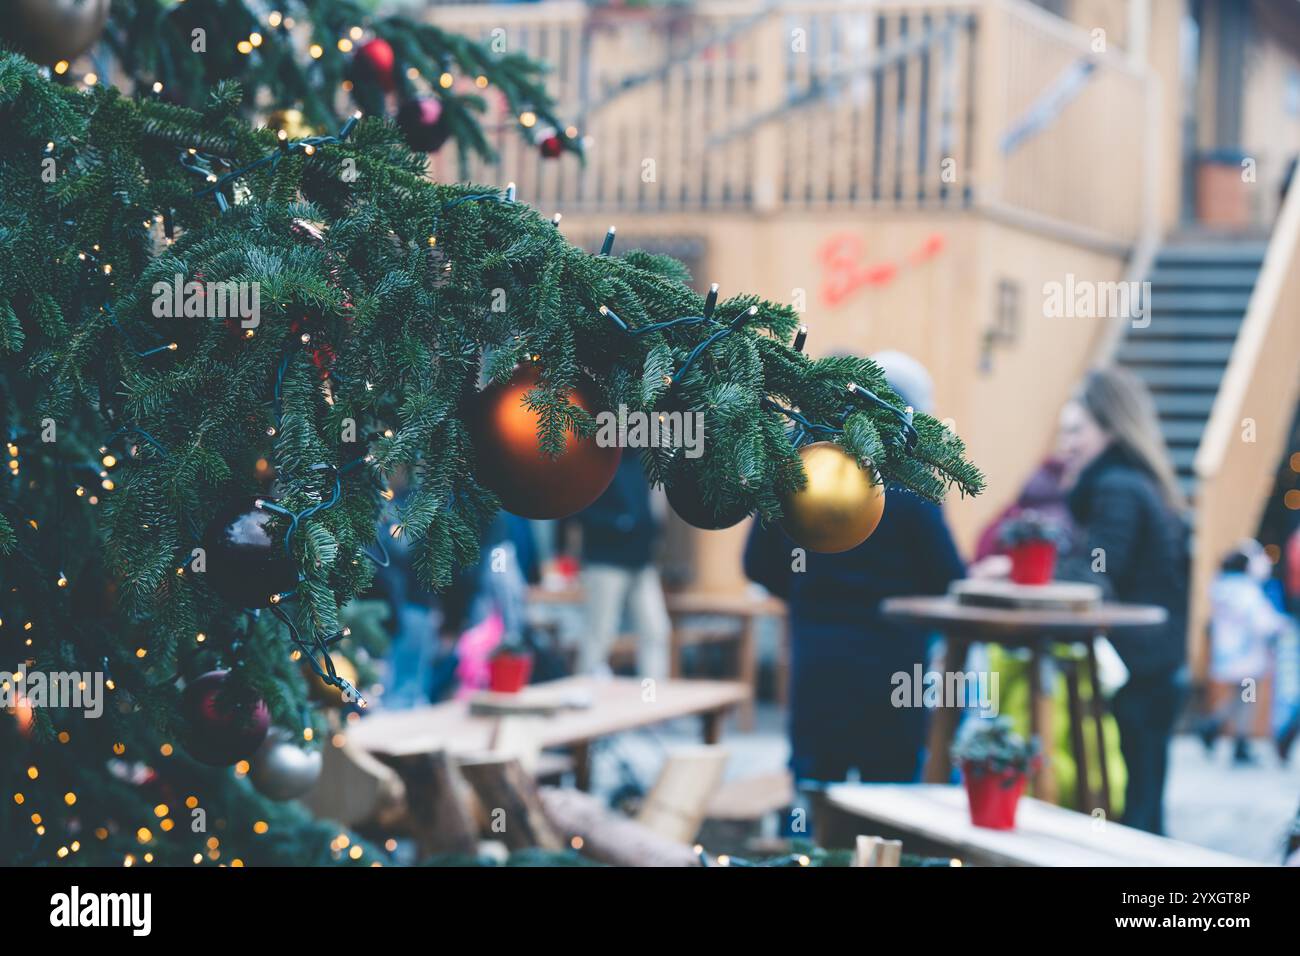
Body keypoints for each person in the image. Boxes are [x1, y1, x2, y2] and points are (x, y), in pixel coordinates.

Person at [744, 351, 965, 784]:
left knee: (814, 788)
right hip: (895, 664)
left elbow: (757, 563)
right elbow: (946, 575)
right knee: (892, 793)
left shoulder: (799, 471)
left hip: (818, 657)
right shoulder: (910, 480)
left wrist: (811, 597)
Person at [1052, 368, 1190, 835]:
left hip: (1135, 669)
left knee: (1133, 814)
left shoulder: (1116, 488)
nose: (1065, 444)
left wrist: (1025, 572)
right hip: (1153, 665)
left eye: (1075, 431)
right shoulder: (1138, 483)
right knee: (1145, 804)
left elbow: (1096, 571)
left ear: (1109, 428)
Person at [576, 456, 672, 679]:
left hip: (641, 560)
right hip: (605, 560)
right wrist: (619, 522)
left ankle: (653, 704)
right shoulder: (596, 456)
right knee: (599, 634)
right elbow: (577, 506)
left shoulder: (641, 455)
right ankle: (585, 700)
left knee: (656, 631)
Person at [1198, 541, 1287, 764]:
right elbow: (1262, 621)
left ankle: (1217, 727)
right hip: (1247, 656)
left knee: (1240, 696)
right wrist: (1283, 626)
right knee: (1247, 697)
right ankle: (1237, 739)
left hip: (1229, 654)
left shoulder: (1222, 587)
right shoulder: (1245, 591)